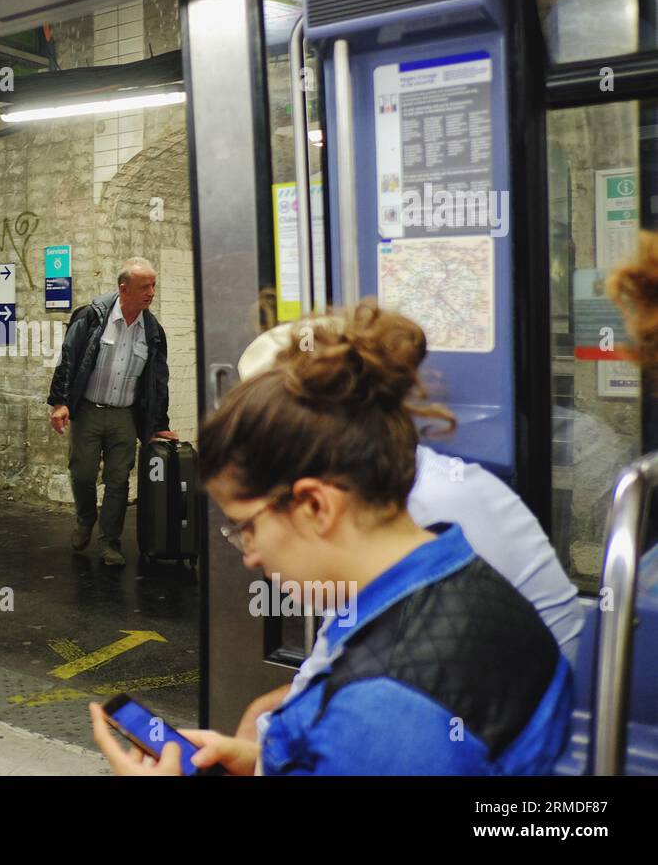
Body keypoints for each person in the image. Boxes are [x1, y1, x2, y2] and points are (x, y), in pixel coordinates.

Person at [91, 302, 572, 774]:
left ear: (317, 505)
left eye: (247, 526)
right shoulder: (456, 574)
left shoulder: (385, 706)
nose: (249, 556)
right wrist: (264, 759)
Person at [230, 316, 585, 744]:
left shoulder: (416, 506)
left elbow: (382, 693)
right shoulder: (394, 482)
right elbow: (340, 652)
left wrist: (266, 747)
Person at [47, 257, 178, 566]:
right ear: (124, 288)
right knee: (82, 474)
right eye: (144, 286)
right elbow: (68, 358)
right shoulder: (93, 317)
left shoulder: (153, 330)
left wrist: (158, 423)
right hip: (89, 410)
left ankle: (110, 543)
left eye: (153, 285)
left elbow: (158, 380)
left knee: (119, 480)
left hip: (124, 416)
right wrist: (60, 402)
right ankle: (85, 518)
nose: (151, 292)